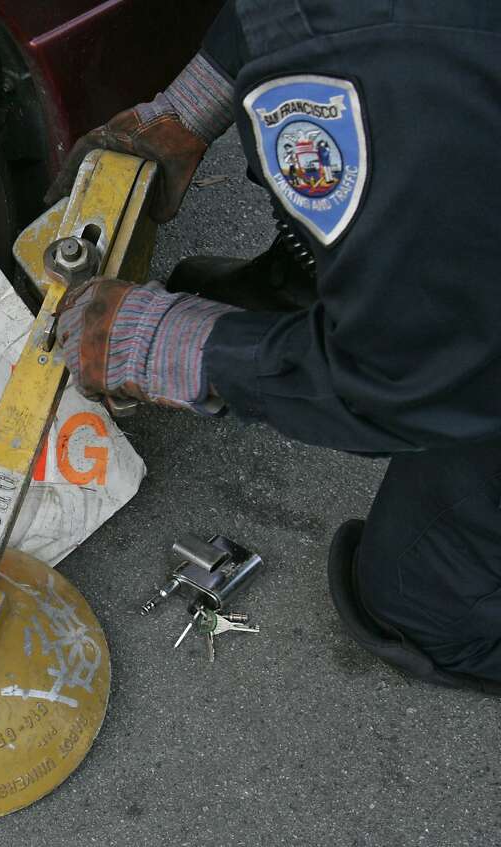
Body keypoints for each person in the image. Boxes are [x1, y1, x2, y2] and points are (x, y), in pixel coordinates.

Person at [48, 0, 501, 694]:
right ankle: (338, 291)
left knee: (417, 596)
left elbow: (412, 383)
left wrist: (174, 347)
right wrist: (193, 103)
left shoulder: (412, 87)